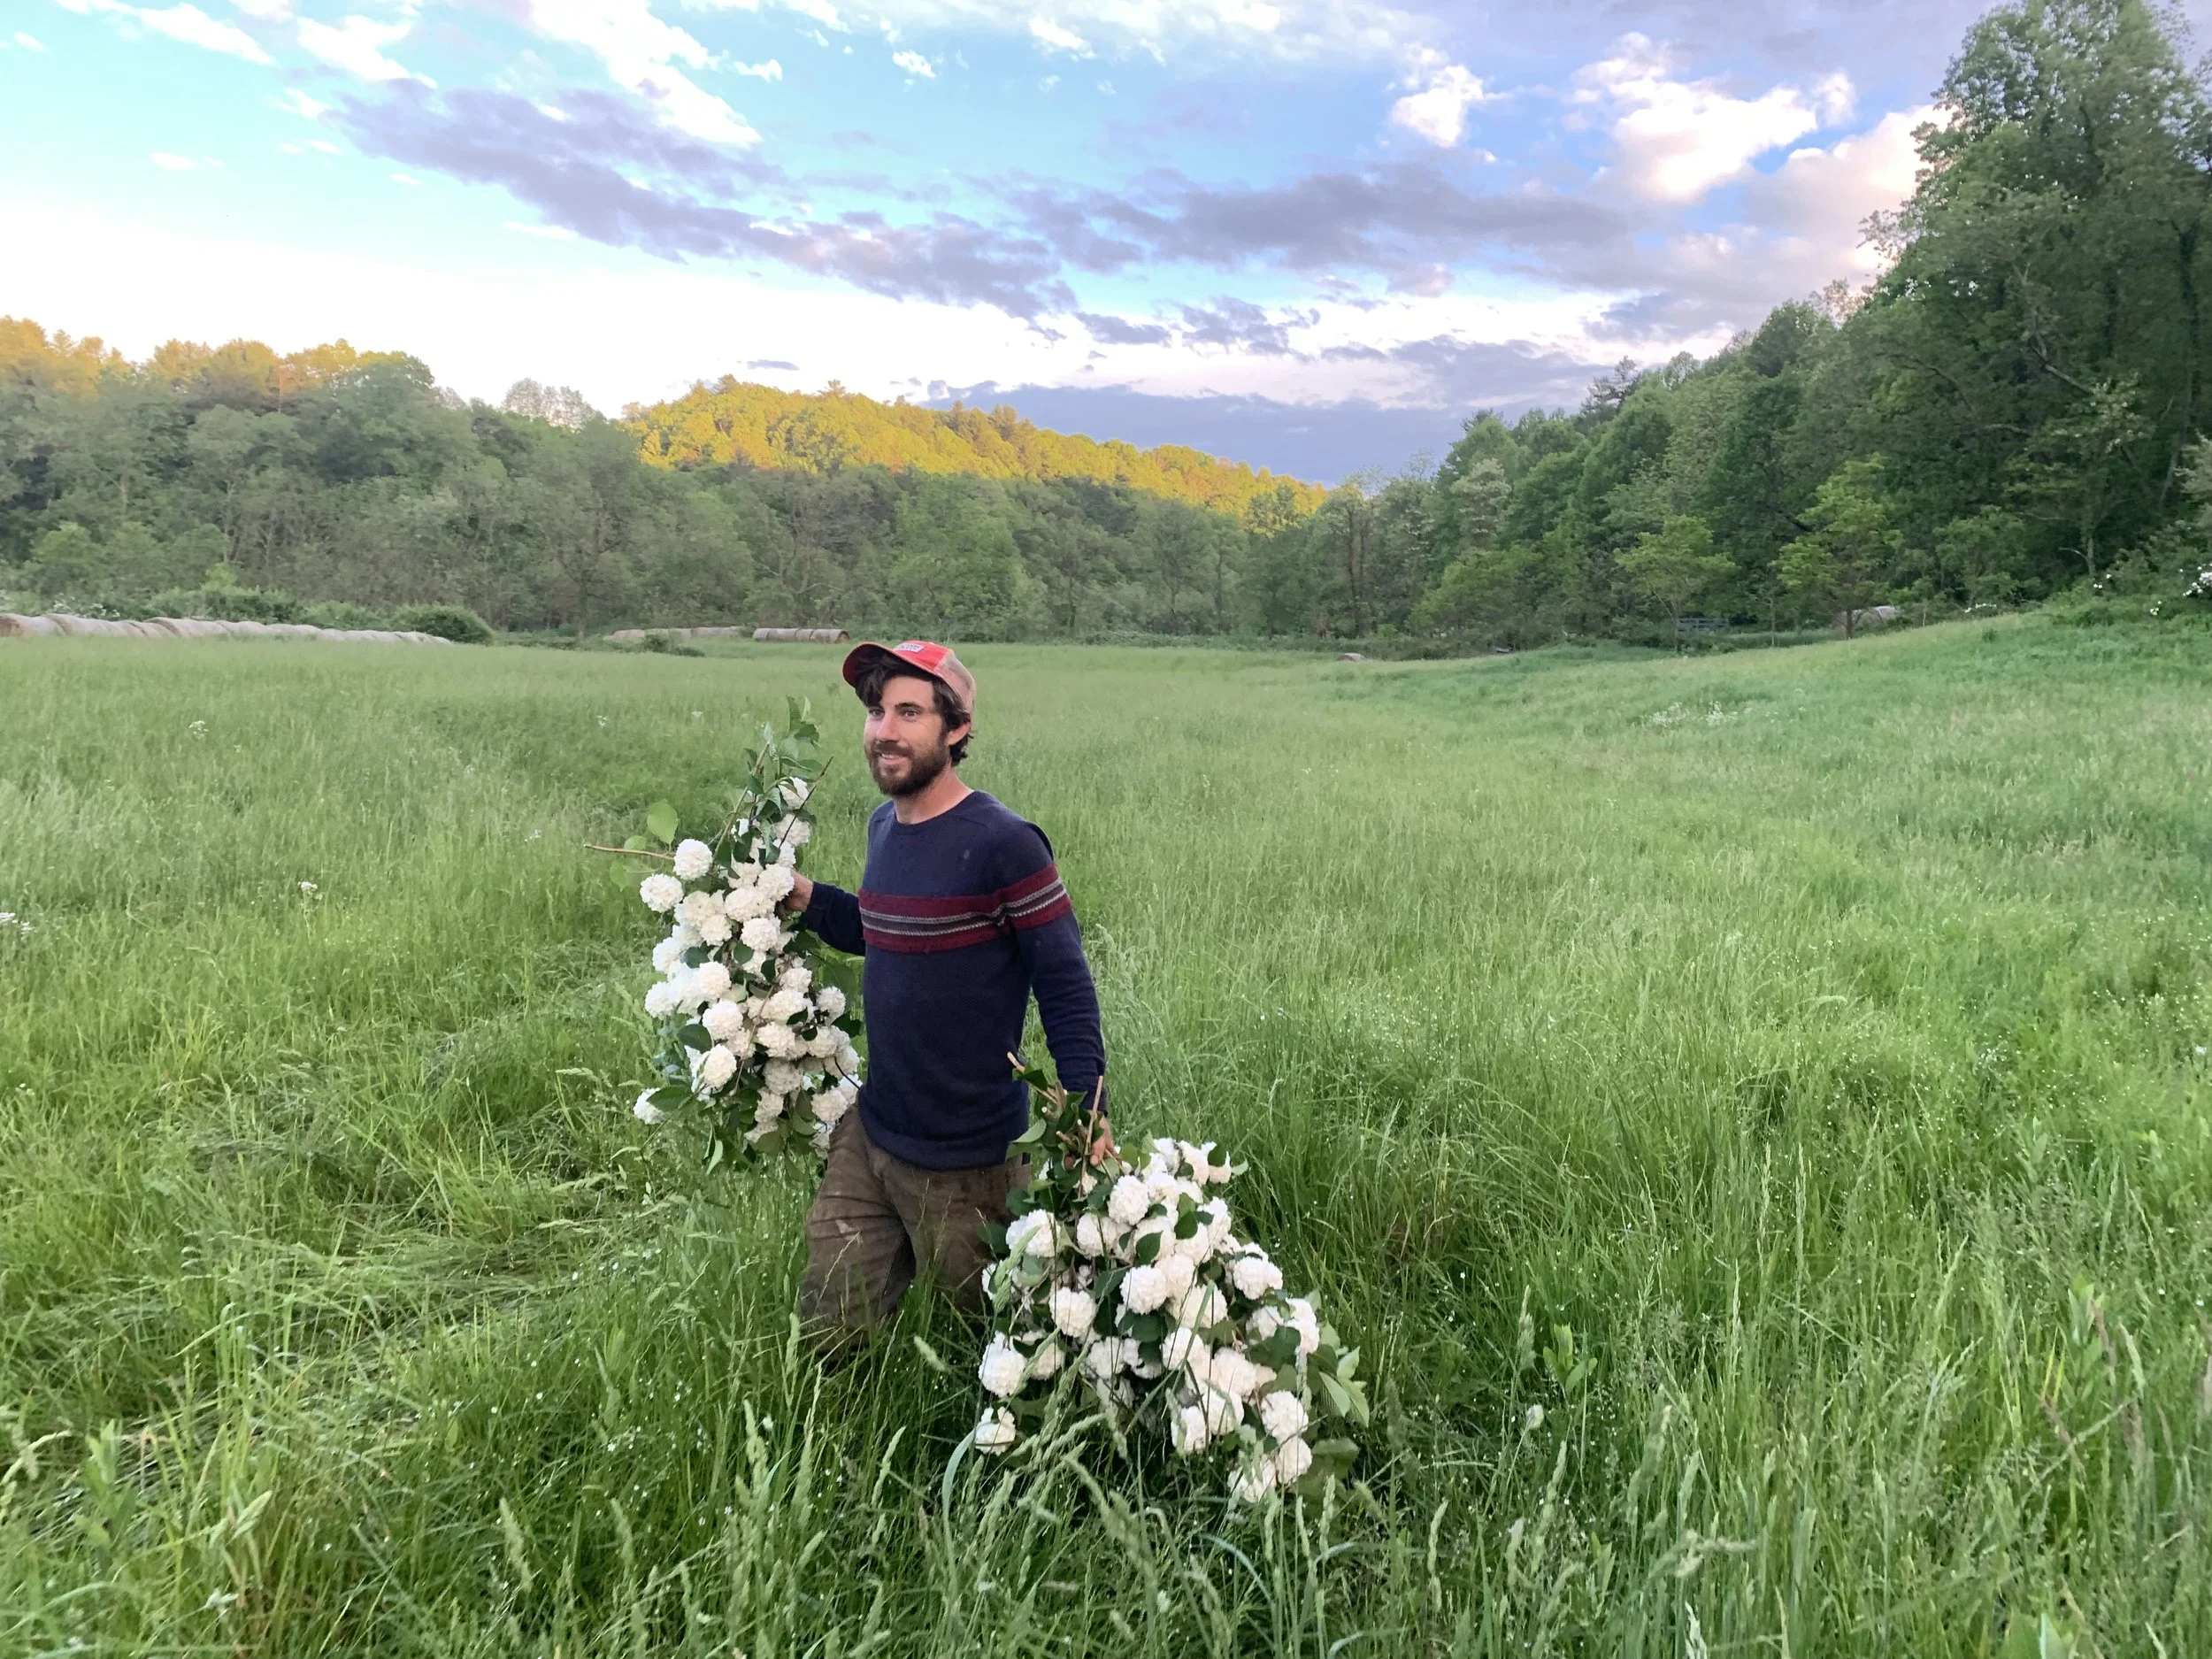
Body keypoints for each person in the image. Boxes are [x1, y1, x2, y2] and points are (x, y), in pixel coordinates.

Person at [780, 639, 1109, 1347]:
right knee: (829, 1325)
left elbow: (1065, 984)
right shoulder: (882, 828)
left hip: (967, 1161)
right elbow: (881, 929)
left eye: (908, 711)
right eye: (875, 710)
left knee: (985, 1343)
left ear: (955, 728)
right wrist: (805, 897)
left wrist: (1088, 1109)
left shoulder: (1007, 844)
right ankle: (833, 1437)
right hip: (873, 1130)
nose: (884, 730)